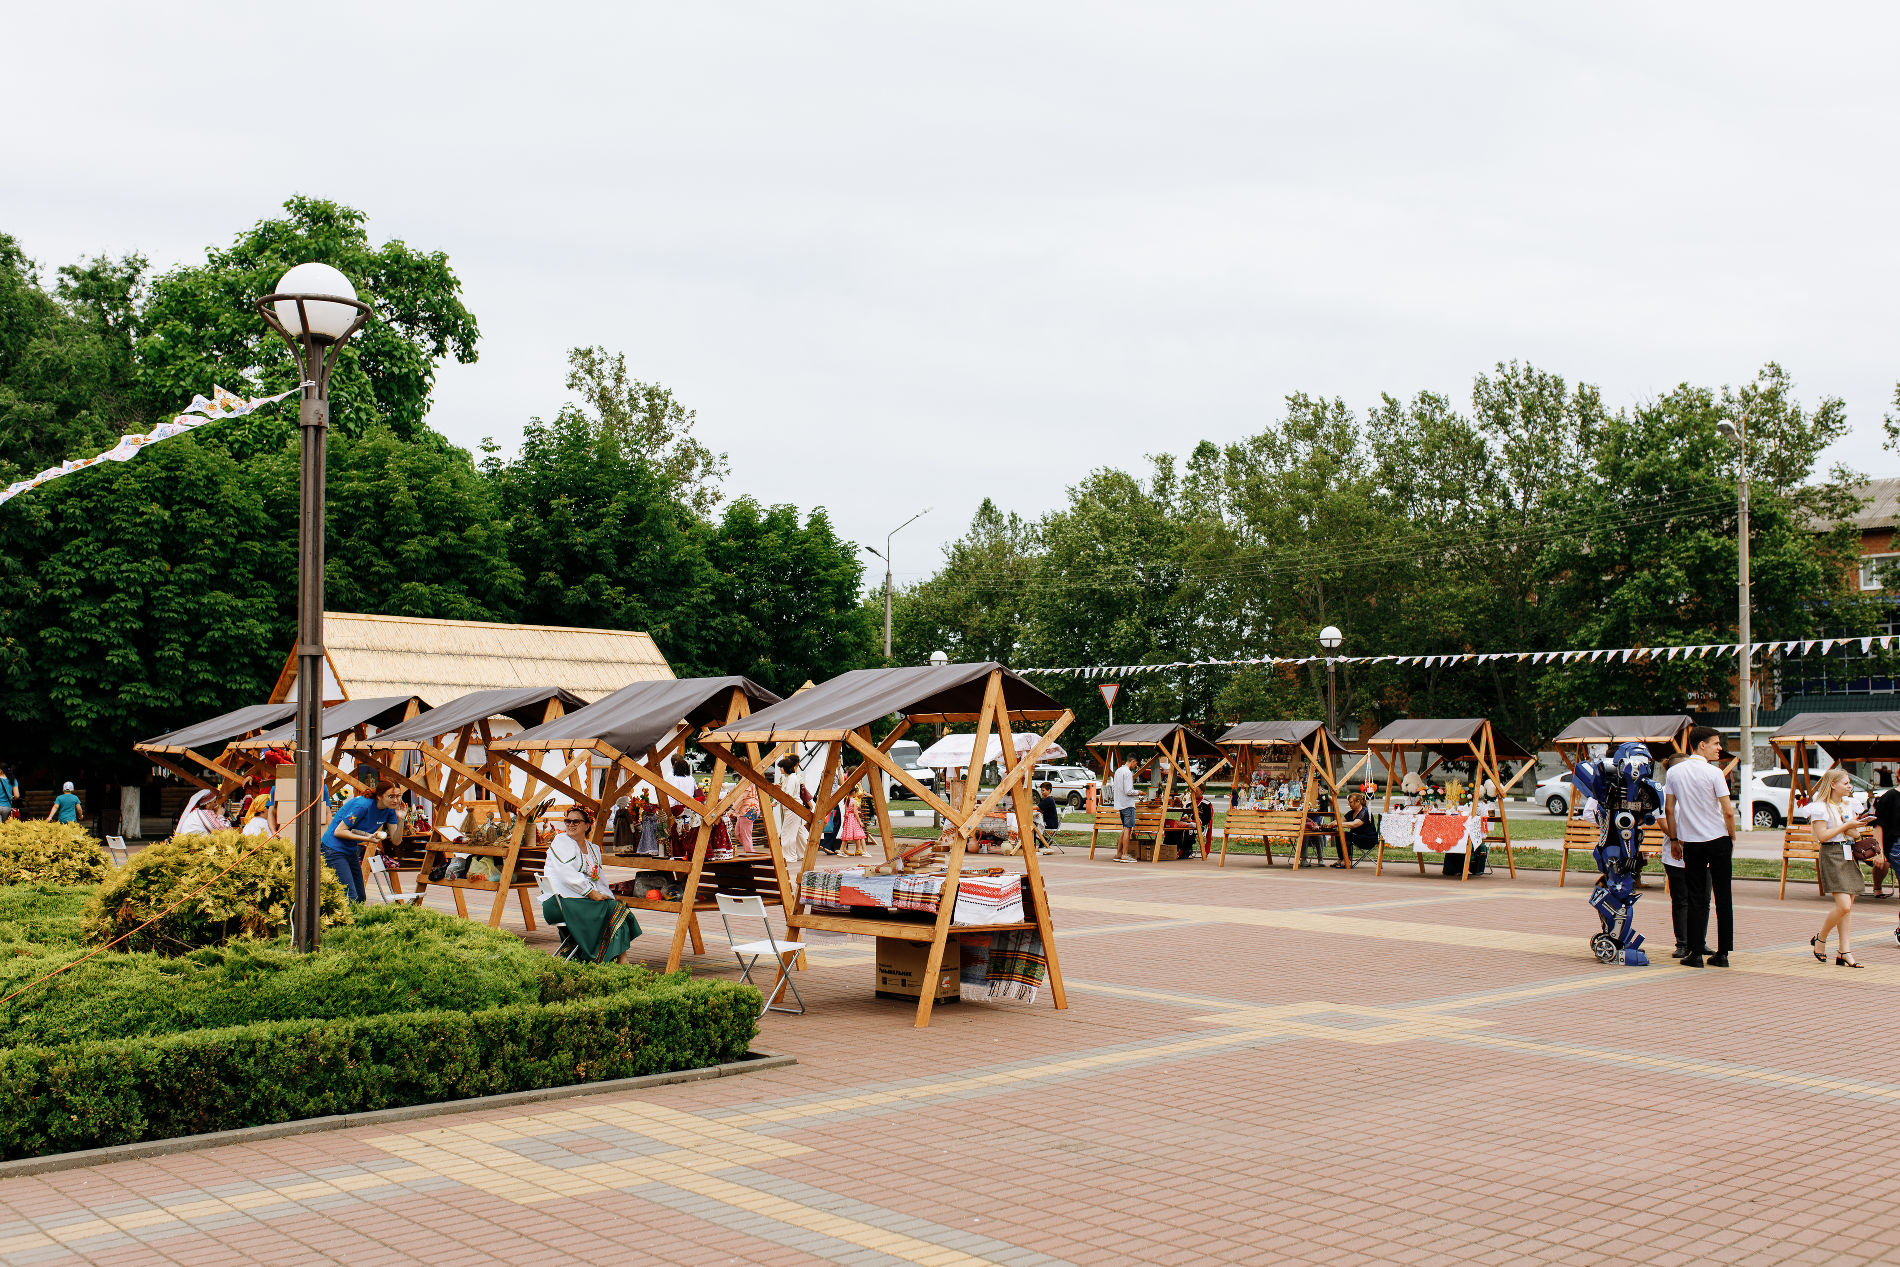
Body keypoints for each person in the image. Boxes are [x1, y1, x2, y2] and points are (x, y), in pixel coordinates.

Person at [1663, 725, 1737, 968]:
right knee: (1723, 896)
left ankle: (1694, 953)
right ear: (1701, 745)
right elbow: (1727, 811)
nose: (1719, 748)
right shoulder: (1714, 773)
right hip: (1718, 839)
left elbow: (1670, 809)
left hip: (1692, 843)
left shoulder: (1675, 772)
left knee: (1695, 897)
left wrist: (1674, 839)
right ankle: (1723, 953)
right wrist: (1732, 836)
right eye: (1716, 743)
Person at [544, 805, 639, 961]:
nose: (570, 824)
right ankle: (620, 960)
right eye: (568, 821)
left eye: (576, 821)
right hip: (560, 902)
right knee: (613, 909)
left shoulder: (593, 849)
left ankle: (616, 958)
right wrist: (592, 893)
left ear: (587, 825)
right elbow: (567, 874)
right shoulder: (561, 841)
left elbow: (599, 880)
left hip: (580, 901)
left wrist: (606, 895)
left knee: (615, 905)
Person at [1808, 767, 1870, 968]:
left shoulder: (1848, 804)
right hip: (1832, 854)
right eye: (1846, 783)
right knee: (1844, 906)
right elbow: (1822, 836)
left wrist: (1855, 827)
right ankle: (1821, 938)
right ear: (1833, 785)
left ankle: (1845, 951)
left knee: (1847, 908)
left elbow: (1854, 835)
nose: (1849, 787)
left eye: (1849, 783)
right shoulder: (1820, 807)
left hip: (1848, 852)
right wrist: (1845, 826)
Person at [320, 782, 405, 903]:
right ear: (379, 796)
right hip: (333, 849)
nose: (395, 800)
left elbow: (396, 841)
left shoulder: (390, 810)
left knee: (360, 897)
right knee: (350, 897)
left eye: (398, 796)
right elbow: (338, 832)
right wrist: (368, 838)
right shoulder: (362, 806)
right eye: (391, 796)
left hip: (351, 850)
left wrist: (401, 819)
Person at [1660, 804, 1692, 959]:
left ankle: (1698, 941)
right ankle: (1682, 943)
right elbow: (1662, 820)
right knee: (1681, 900)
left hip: (1702, 855)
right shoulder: (1666, 794)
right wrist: (1677, 839)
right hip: (1675, 857)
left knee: (1701, 901)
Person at [1336, 791, 1377, 867]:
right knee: (1339, 834)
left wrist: (1338, 824)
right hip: (1357, 837)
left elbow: (1355, 824)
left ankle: (1346, 860)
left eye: (1351, 802)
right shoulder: (1351, 812)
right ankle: (1341, 858)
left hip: (1368, 839)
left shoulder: (1365, 811)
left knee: (1346, 835)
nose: (1349, 804)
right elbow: (1340, 821)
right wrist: (1329, 825)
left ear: (1358, 802)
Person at [1112, 754, 1139, 864]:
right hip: (1128, 804)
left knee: (1124, 828)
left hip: (1120, 804)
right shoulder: (1127, 773)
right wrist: (1138, 792)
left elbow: (1114, 788)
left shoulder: (1118, 771)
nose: (1136, 765)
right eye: (1136, 763)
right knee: (1128, 829)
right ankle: (1125, 854)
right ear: (1132, 761)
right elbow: (1128, 791)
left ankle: (1118, 853)